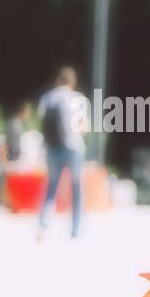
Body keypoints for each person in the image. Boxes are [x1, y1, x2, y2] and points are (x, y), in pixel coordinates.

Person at [36, 66, 89, 242]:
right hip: (73, 149)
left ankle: (43, 225)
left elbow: (42, 122)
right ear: (73, 82)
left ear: (58, 80)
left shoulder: (47, 98)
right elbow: (82, 127)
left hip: (52, 148)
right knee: (76, 190)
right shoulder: (77, 99)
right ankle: (75, 232)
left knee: (51, 188)